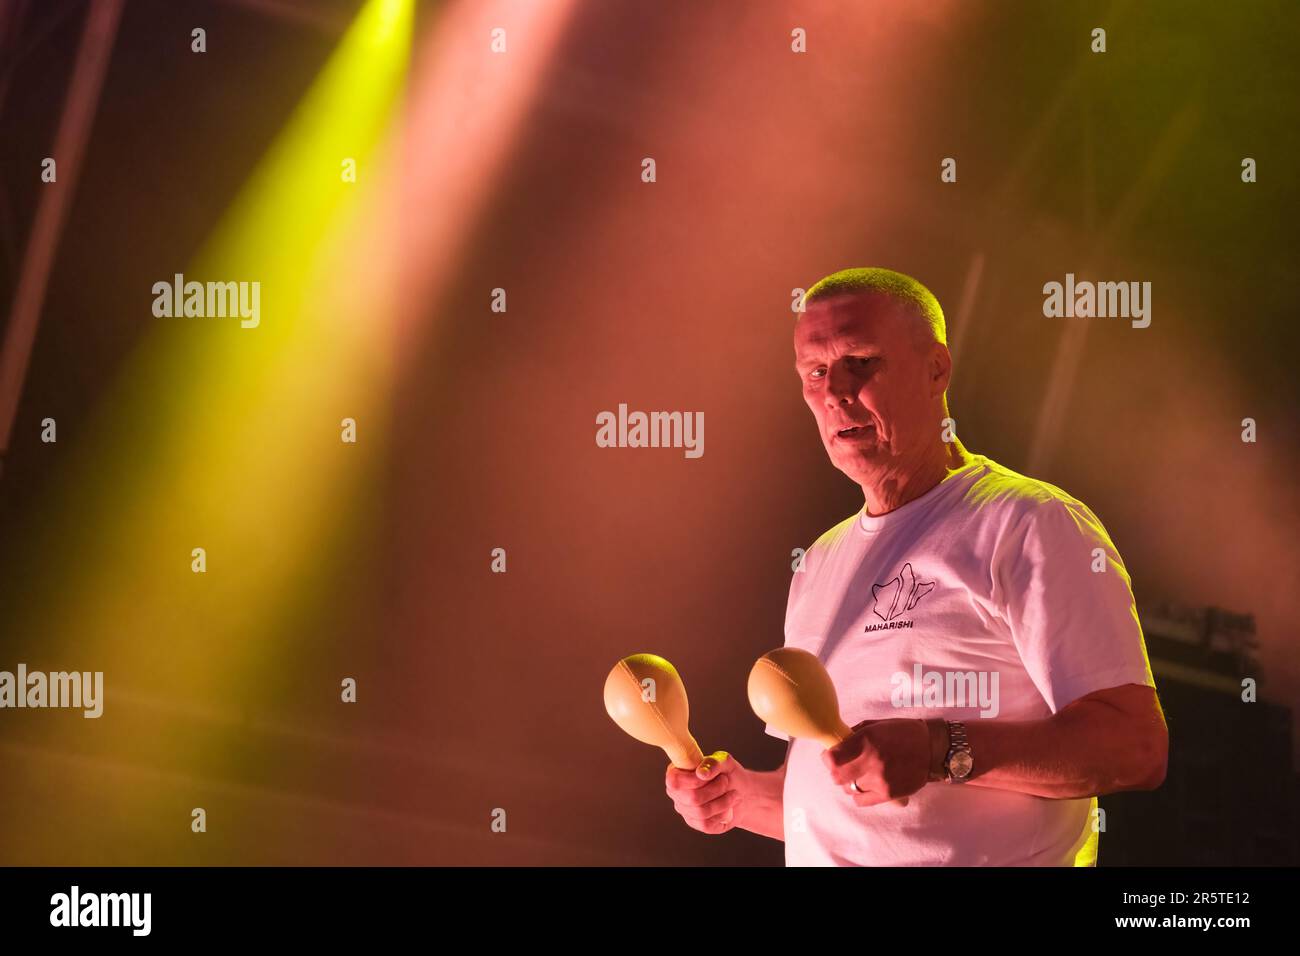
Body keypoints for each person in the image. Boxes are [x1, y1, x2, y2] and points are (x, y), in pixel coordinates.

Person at [665, 267, 1167, 866]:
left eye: (862, 362)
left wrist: (939, 750)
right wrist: (738, 800)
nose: (835, 392)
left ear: (936, 369)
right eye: (816, 372)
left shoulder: (1029, 523)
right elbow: (849, 802)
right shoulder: (819, 563)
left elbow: (1135, 746)